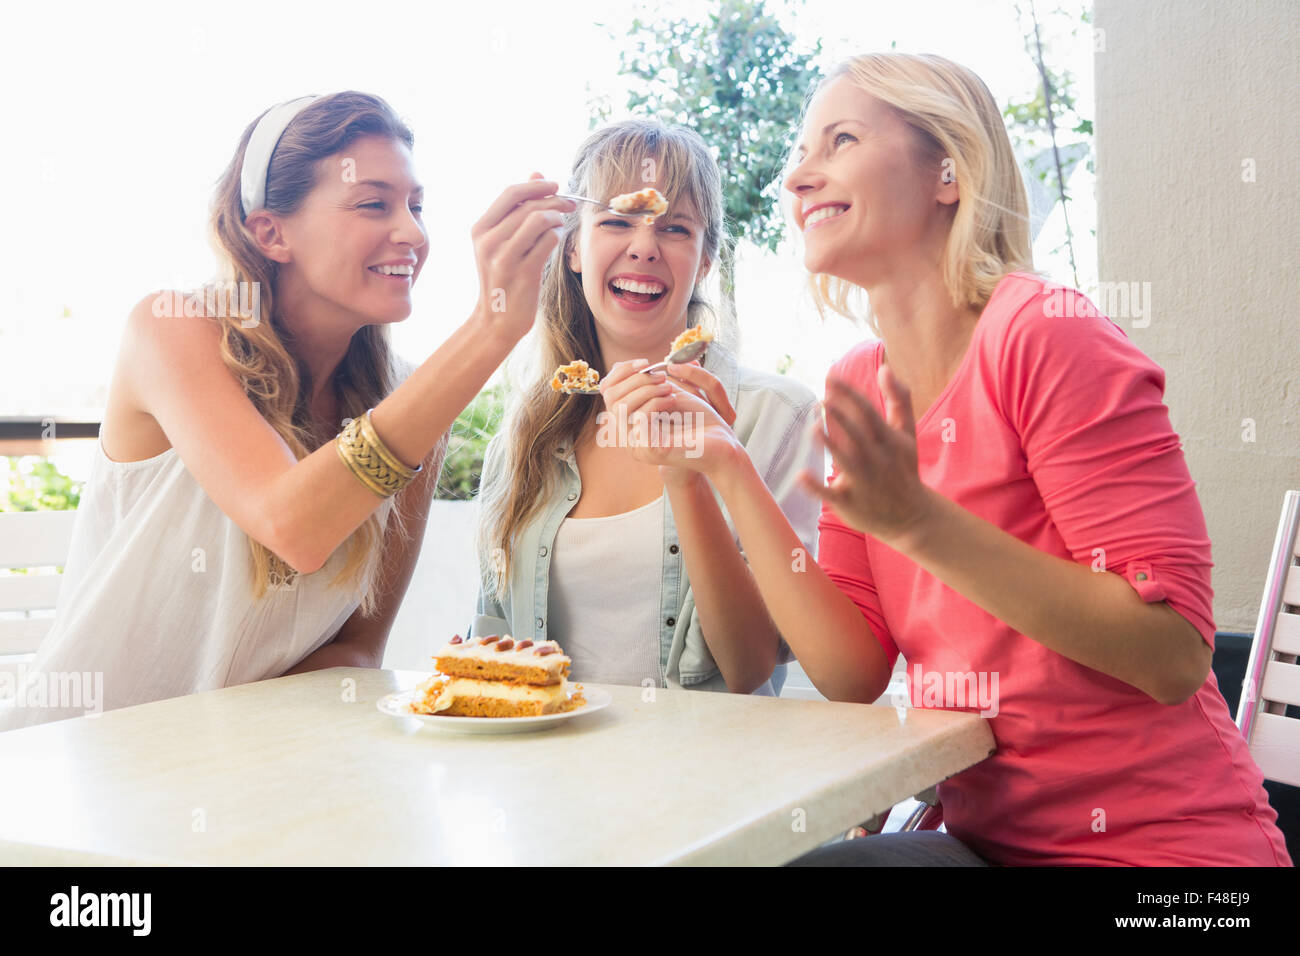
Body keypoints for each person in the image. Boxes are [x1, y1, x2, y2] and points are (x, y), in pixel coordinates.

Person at [628, 53, 1292, 866]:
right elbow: (851, 670)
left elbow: (1174, 655)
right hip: (986, 841)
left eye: (840, 140)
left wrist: (922, 524)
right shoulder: (857, 389)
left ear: (949, 172)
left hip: (1169, 859)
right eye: (801, 154)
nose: (800, 178)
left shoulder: (1044, 331)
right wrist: (727, 466)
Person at [0, 92, 575, 730]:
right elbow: (292, 524)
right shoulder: (174, 330)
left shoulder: (408, 405)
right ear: (271, 232)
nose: (412, 233)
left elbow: (354, 649)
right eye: (372, 203)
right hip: (72, 770)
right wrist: (492, 327)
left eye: (416, 206)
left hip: (246, 779)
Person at [472, 119, 821, 695]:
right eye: (614, 220)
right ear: (575, 249)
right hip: (547, 779)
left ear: (706, 260)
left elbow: (750, 667)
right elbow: (491, 648)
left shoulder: (778, 417)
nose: (643, 246)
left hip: (709, 779)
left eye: (676, 229)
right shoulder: (518, 444)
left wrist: (687, 473)